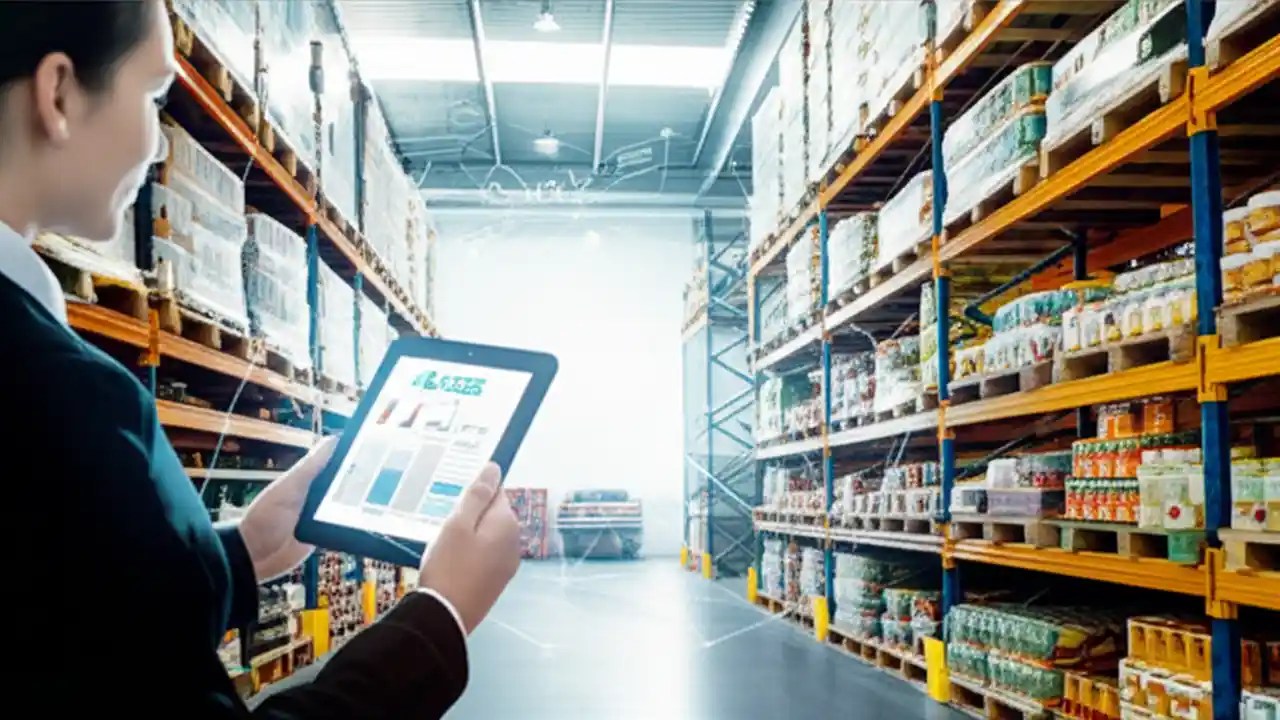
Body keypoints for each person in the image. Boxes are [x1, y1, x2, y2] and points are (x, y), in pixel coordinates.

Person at [0, 1, 521, 715]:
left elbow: (75, 626)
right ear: (58, 93)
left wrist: (248, 550)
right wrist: (440, 617)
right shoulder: (57, 397)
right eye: (153, 97)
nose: (156, 144)